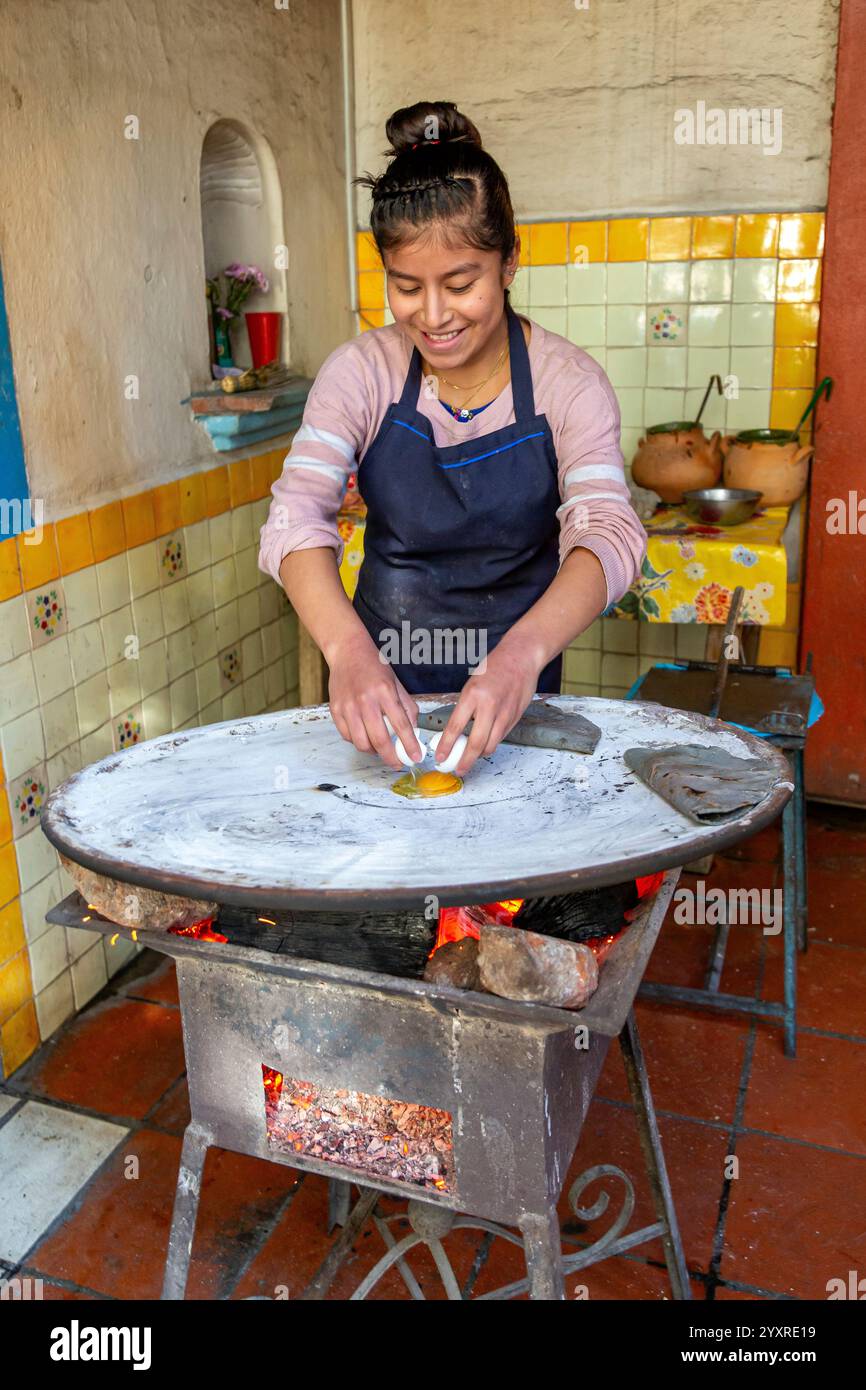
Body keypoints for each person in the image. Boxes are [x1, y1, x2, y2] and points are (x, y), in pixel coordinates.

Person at [258, 101, 647, 777]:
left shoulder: (568, 384)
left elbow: (607, 533)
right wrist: (348, 654)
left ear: (509, 262)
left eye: (460, 284)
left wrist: (522, 656)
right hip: (382, 689)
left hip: (513, 695)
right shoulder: (362, 373)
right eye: (407, 288)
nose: (433, 316)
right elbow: (296, 518)